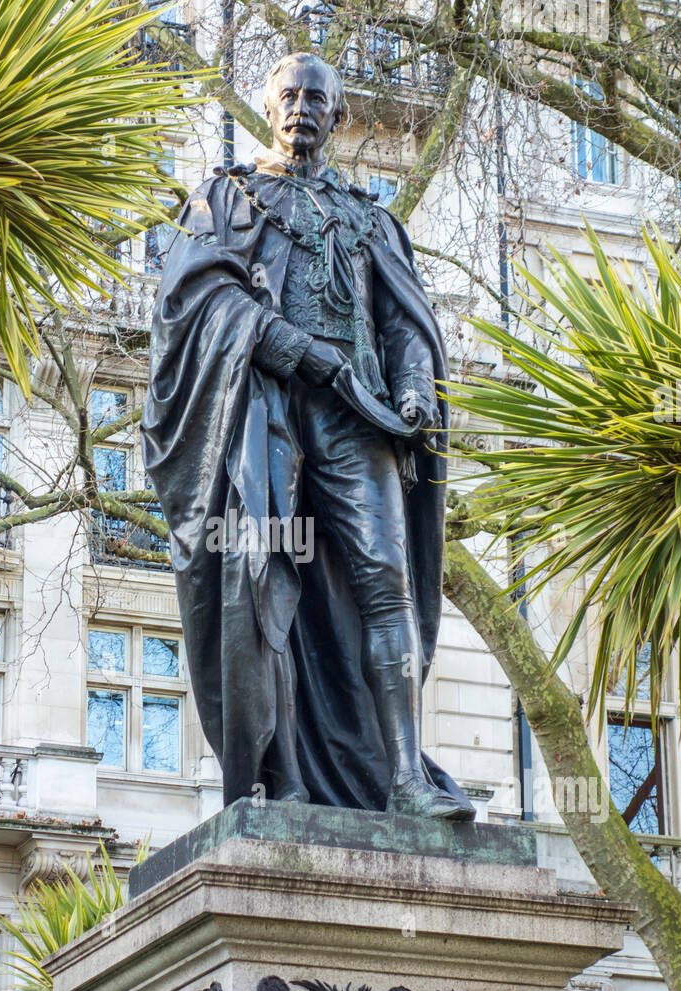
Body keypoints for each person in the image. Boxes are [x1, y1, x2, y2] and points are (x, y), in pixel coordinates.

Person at [141, 52, 474, 820]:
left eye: (316, 98)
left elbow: (405, 322)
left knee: (386, 583)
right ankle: (279, 775)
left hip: (360, 420)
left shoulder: (371, 218)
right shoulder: (227, 200)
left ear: (338, 115)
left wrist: (417, 386)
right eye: (288, 95)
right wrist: (290, 347)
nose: (301, 109)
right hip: (268, 416)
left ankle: (405, 782)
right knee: (264, 583)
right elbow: (193, 301)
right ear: (268, 105)